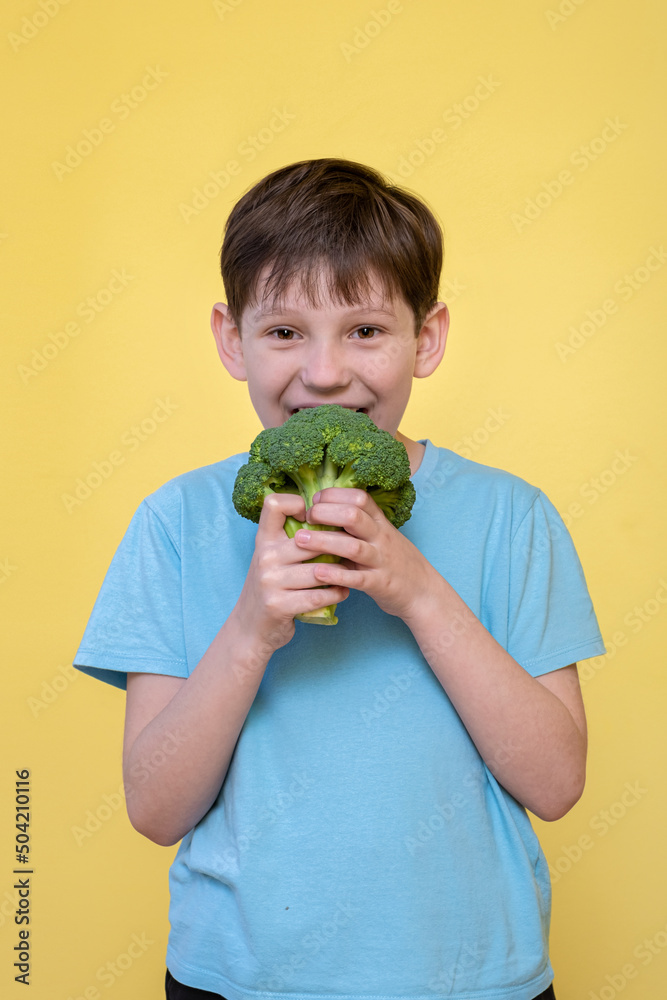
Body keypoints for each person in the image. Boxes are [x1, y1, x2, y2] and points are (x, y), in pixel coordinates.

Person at [74, 158, 605, 1000]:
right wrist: (251, 626)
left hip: (471, 979)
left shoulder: (513, 518)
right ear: (229, 336)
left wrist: (416, 591)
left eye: (364, 331)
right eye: (284, 332)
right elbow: (155, 808)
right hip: (238, 978)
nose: (324, 374)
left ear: (425, 338)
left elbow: (555, 784)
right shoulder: (174, 522)